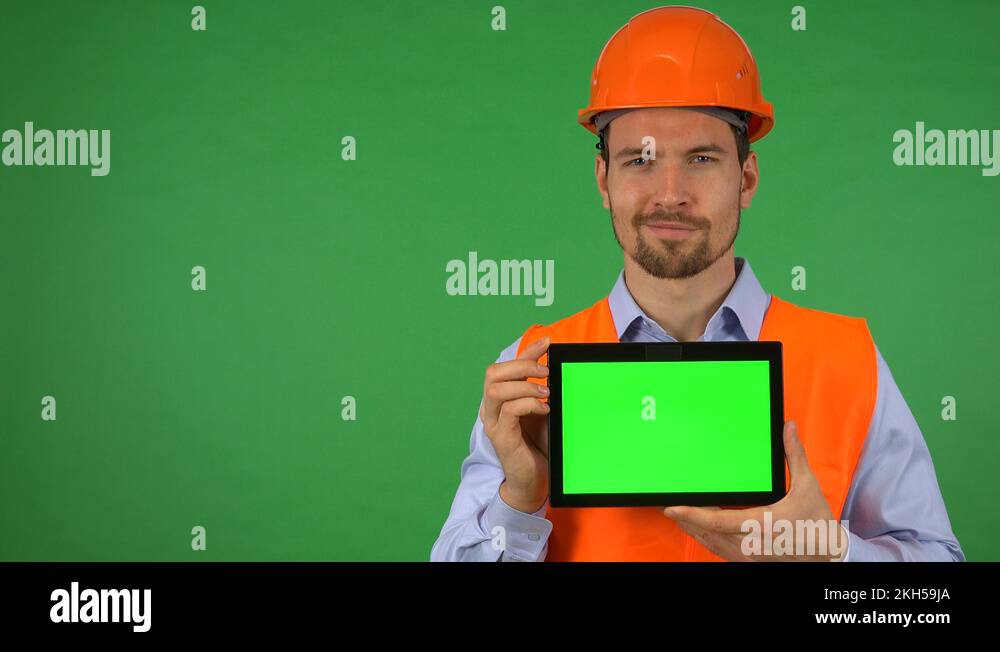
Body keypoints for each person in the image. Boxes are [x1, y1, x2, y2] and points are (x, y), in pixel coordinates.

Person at [430, 5, 964, 562]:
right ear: (603, 180)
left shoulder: (848, 362)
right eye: (640, 159)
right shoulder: (533, 374)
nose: (670, 193)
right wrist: (520, 498)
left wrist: (828, 553)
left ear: (747, 178)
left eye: (702, 158)